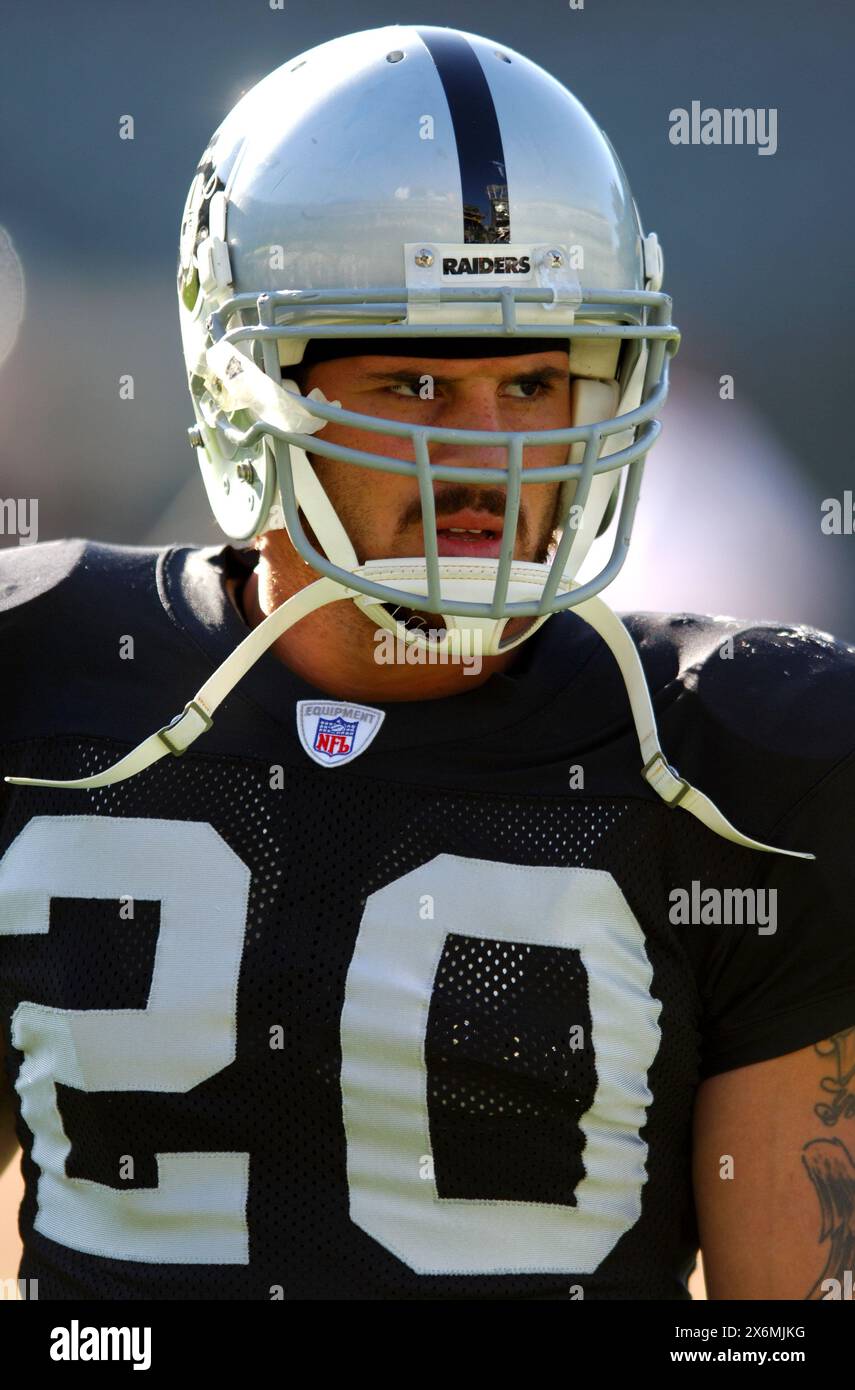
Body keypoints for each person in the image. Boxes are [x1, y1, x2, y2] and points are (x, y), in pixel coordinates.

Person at [0, 23, 853, 1302]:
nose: (490, 452)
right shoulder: (37, 673)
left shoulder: (744, 755)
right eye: (414, 382)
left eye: (531, 383)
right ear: (250, 384)